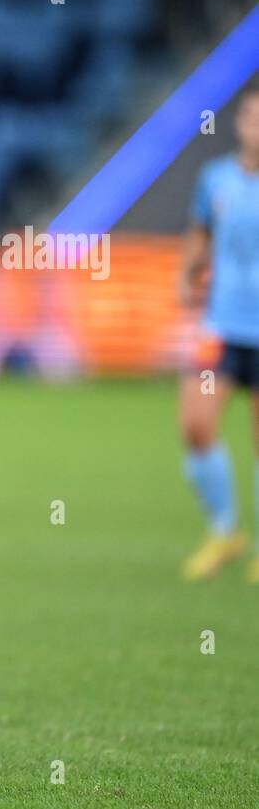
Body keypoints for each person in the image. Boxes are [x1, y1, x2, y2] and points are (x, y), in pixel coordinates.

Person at [178, 81, 259, 583]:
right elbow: (200, 234)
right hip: (222, 327)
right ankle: (225, 530)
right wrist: (188, 275)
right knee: (196, 425)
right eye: (252, 116)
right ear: (240, 123)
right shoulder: (216, 180)